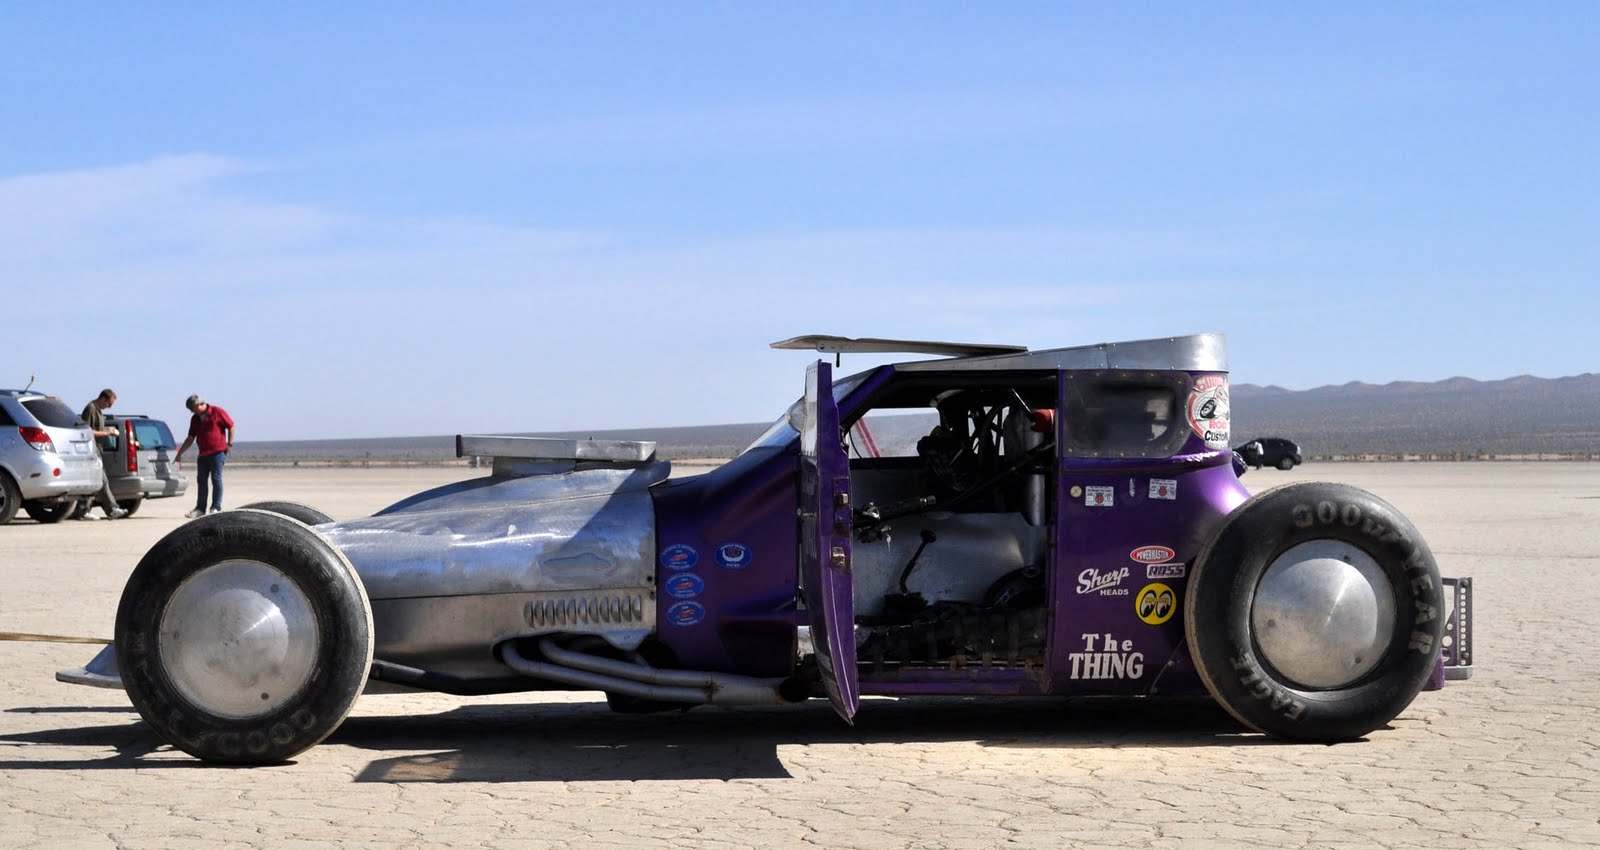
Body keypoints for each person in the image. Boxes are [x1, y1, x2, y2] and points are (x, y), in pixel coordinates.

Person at [174, 394, 234, 518]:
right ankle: (200, 509)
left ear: (199, 404)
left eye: (193, 409)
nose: (192, 412)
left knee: (216, 479)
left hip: (218, 452)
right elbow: (191, 438)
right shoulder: (195, 419)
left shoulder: (217, 412)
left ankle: (216, 507)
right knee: (201, 481)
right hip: (203, 454)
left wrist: (229, 444)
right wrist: (180, 453)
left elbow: (231, 426)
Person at [79, 389, 128, 520]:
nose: (109, 407)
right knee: (101, 480)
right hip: (91, 451)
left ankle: (84, 510)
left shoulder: (99, 411)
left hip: (97, 451)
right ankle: (111, 509)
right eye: (109, 404)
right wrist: (106, 433)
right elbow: (87, 431)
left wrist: (107, 431)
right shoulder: (90, 409)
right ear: (103, 399)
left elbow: (98, 430)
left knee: (95, 481)